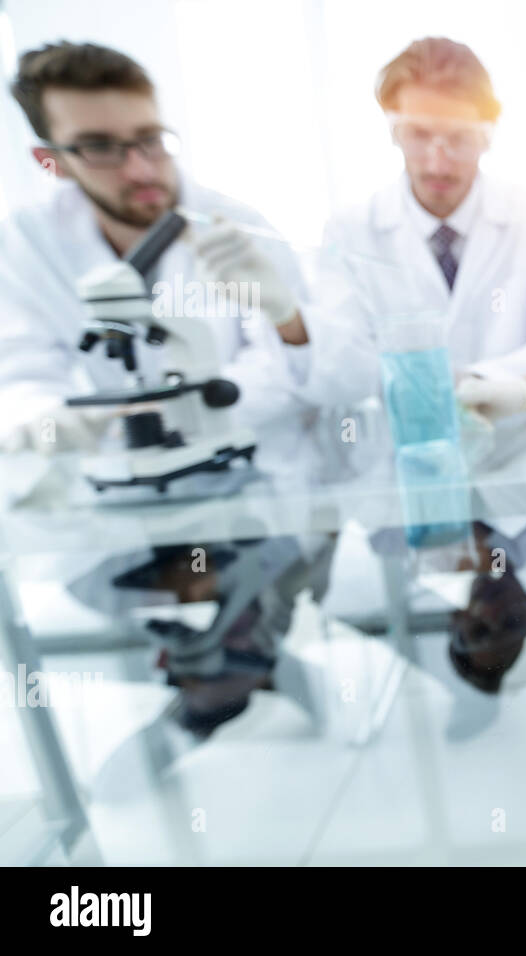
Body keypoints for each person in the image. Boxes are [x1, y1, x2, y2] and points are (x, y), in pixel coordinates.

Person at [0, 42, 342, 731]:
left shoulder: (233, 225)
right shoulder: (25, 242)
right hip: (122, 489)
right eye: (100, 148)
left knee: (236, 580)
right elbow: (20, 371)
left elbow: (299, 367)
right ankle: (229, 670)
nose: (140, 167)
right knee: (140, 589)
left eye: (149, 140)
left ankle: (215, 686)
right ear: (51, 160)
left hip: (255, 474)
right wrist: (45, 419)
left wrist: (191, 401)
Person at [317, 37, 526, 689]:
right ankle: (466, 668)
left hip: (525, 462)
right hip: (407, 476)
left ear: (489, 133)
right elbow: (339, 359)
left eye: (457, 136)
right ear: (392, 131)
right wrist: (428, 387)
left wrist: (479, 385)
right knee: (419, 576)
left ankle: (478, 664)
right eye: (417, 133)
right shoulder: (352, 229)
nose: (437, 157)